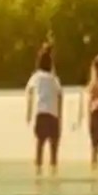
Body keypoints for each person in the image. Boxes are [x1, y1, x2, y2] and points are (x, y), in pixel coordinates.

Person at [25, 44, 63, 174]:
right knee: (53, 150)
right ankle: (54, 172)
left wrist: (29, 113)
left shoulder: (36, 77)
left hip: (41, 114)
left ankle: (38, 175)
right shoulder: (54, 79)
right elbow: (59, 96)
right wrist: (60, 117)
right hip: (53, 115)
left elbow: (29, 92)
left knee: (39, 147)